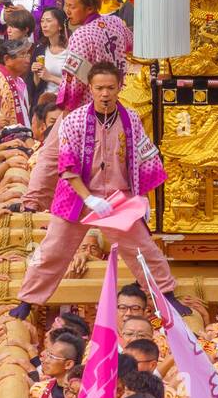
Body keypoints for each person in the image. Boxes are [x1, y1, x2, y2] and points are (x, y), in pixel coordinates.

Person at [10, 62, 180, 318]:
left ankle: (167, 296)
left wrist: (142, 201)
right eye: (99, 88)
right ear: (91, 88)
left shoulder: (130, 119)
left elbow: (146, 159)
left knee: (144, 249)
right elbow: (67, 166)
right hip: (78, 197)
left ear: (119, 87)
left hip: (118, 197)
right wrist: (89, 198)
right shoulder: (74, 120)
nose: (105, 94)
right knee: (52, 250)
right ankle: (27, 300)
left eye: (110, 88)